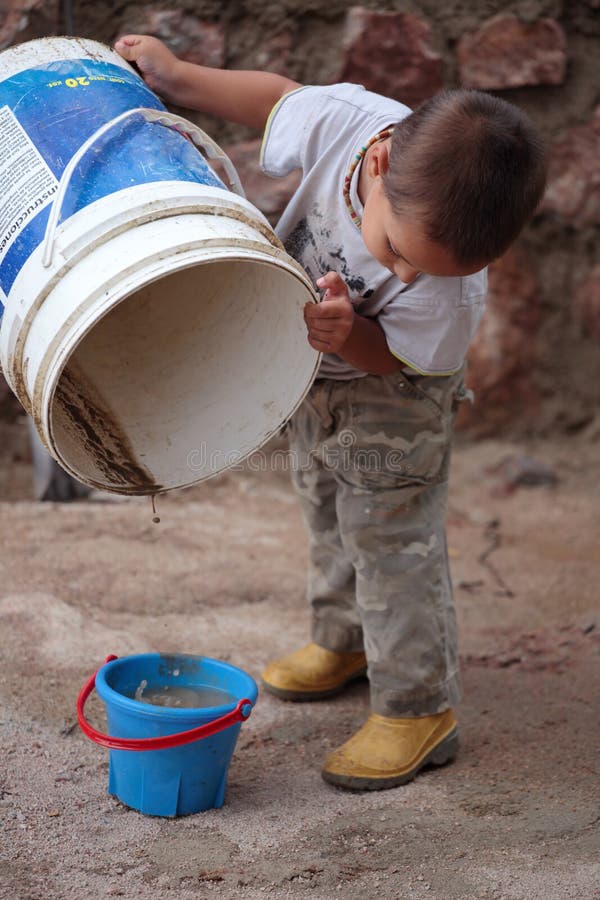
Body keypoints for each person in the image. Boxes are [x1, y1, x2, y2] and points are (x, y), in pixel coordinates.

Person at [115, 34, 546, 791]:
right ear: (378, 165)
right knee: (322, 503)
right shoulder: (349, 120)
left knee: (389, 539)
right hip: (314, 369)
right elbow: (274, 100)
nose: (408, 276)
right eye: (398, 252)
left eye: (430, 273)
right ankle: (344, 639)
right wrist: (180, 77)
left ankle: (418, 706)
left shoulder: (450, 295)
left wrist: (357, 333)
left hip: (395, 391)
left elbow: (404, 364)